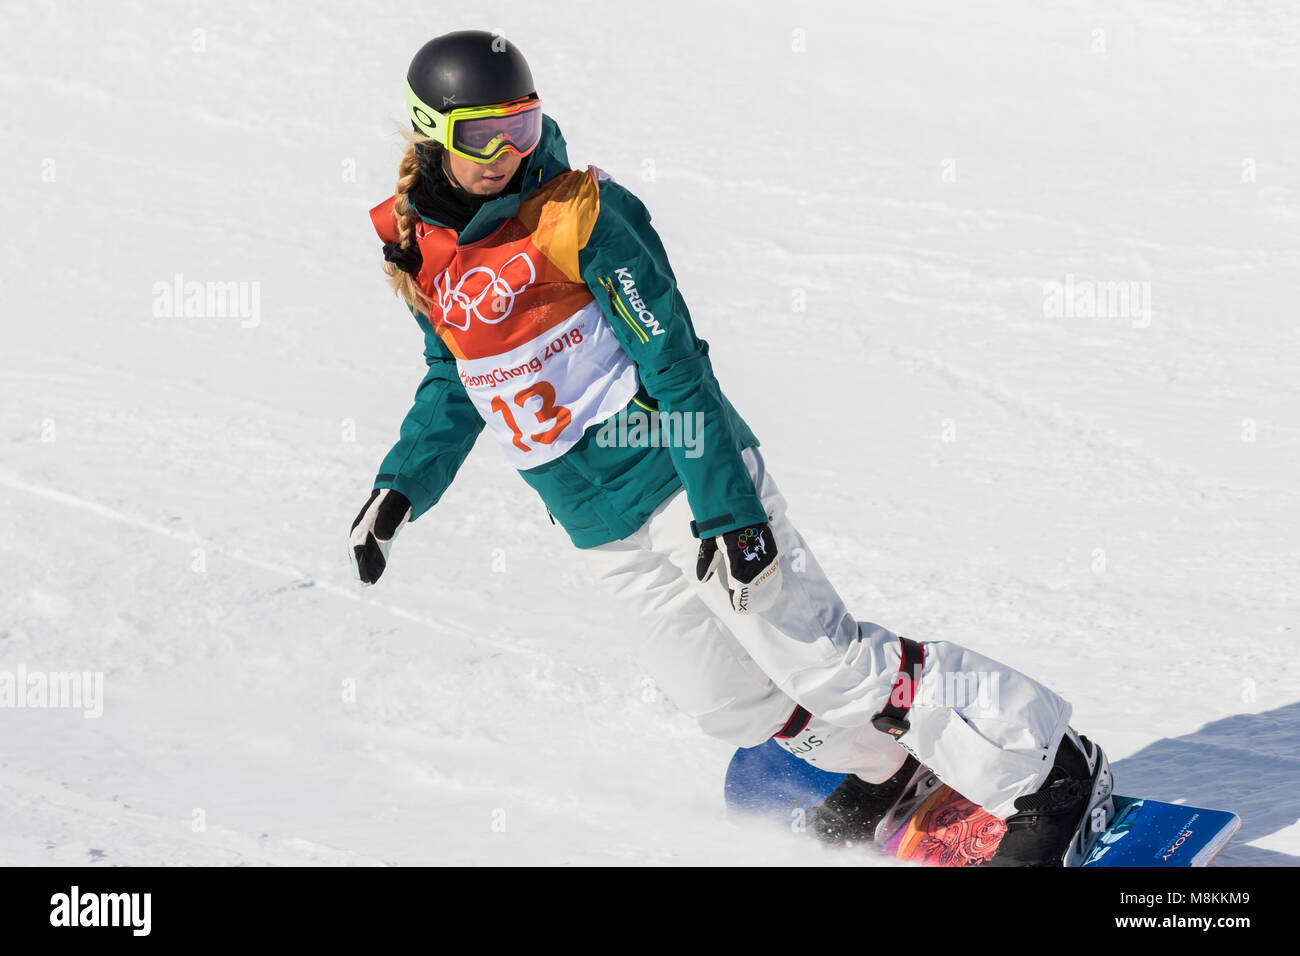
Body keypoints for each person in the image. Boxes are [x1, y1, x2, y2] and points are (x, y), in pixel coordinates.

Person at [348, 29, 1114, 866]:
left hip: (681, 477)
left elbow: (675, 366)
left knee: (828, 664)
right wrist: (401, 487)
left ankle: (1048, 769)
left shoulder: (580, 216)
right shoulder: (415, 243)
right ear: (431, 131)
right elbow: (455, 376)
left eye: (522, 127)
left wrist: (728, 512)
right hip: (596, 519)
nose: (504, 152)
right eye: (480, 135)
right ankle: (890, 770)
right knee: (729, 701)